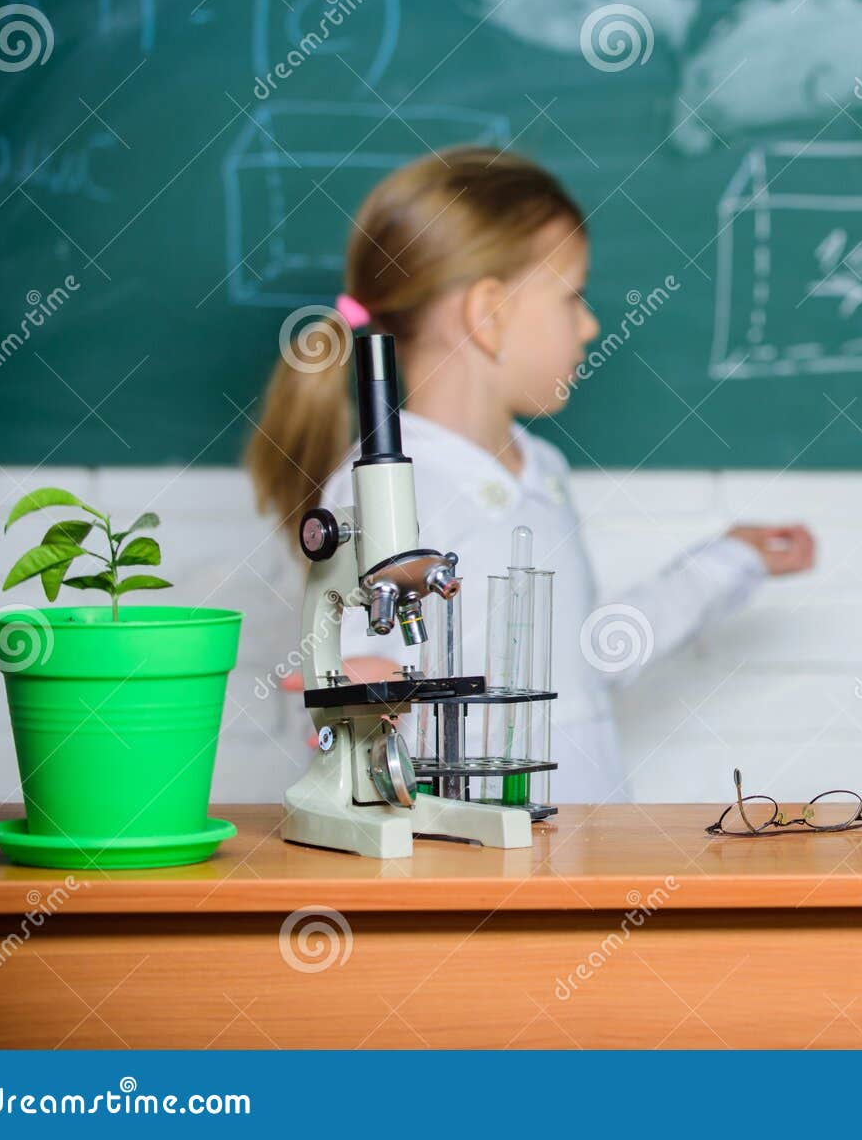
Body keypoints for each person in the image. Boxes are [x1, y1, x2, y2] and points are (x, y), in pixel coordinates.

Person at [246, 147, 814, 802]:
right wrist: (363, 685)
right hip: (474, 881)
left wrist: (729, 561)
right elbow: (359, 693)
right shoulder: (383, 487)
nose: (591, 323)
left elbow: (584, 659)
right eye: (572, 297)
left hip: (586, 859)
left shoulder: (542, 468)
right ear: (489, 314)